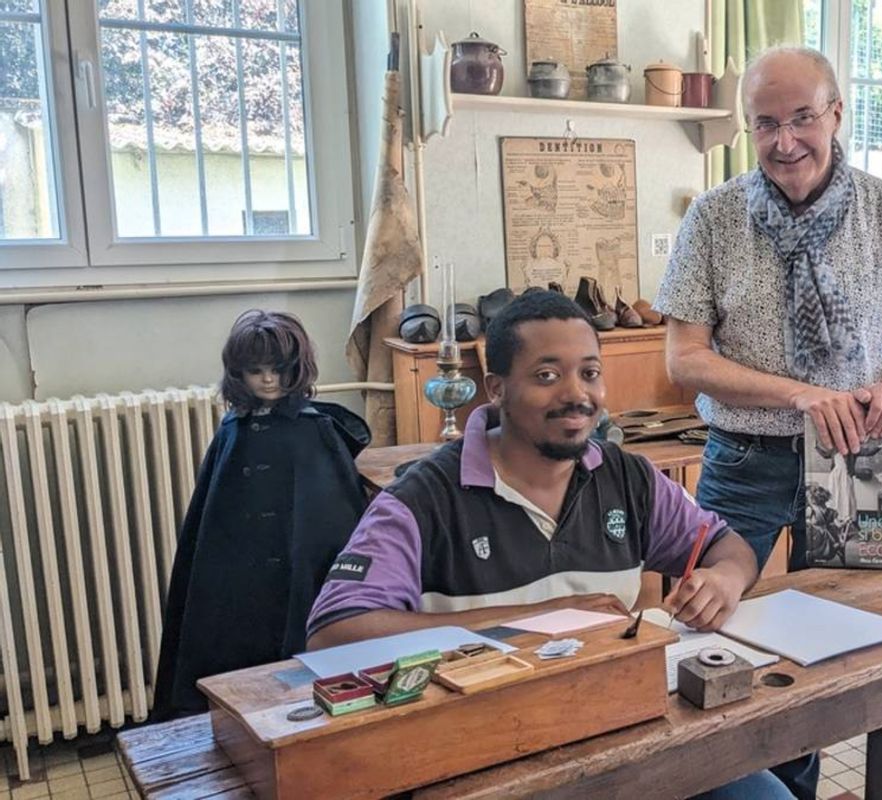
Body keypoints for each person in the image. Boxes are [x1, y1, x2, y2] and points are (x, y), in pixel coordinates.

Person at [306, 291, 790, 800]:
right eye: (546, 375)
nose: (576, 394)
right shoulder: (424, 500)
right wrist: (543, 618)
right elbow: (334, 634)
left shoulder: (628, 478)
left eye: (589, 372)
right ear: (497, 389)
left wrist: (724, 580)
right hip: (484, 754)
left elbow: (725, 544)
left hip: (618, 732)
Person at [654, 45, 882, 799]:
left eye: (802, 119)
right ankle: (748, 782)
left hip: (865, 455)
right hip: (743, 456)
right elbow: (685, 357)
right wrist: (799, 394)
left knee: (867, 641)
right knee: (706, 627)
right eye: (764, 124)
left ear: (837, 113)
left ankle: (806, 780)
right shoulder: (715, 218)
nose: (785, 141)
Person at [152, 310, 370, 720]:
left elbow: (335, 517)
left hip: (303, 572)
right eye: (256, 371)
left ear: (297, 369)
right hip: (240, 576)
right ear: (239, 374)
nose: (269, 380)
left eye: (279, 370)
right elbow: (211, 519)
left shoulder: (316, 430)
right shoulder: (232, 431)